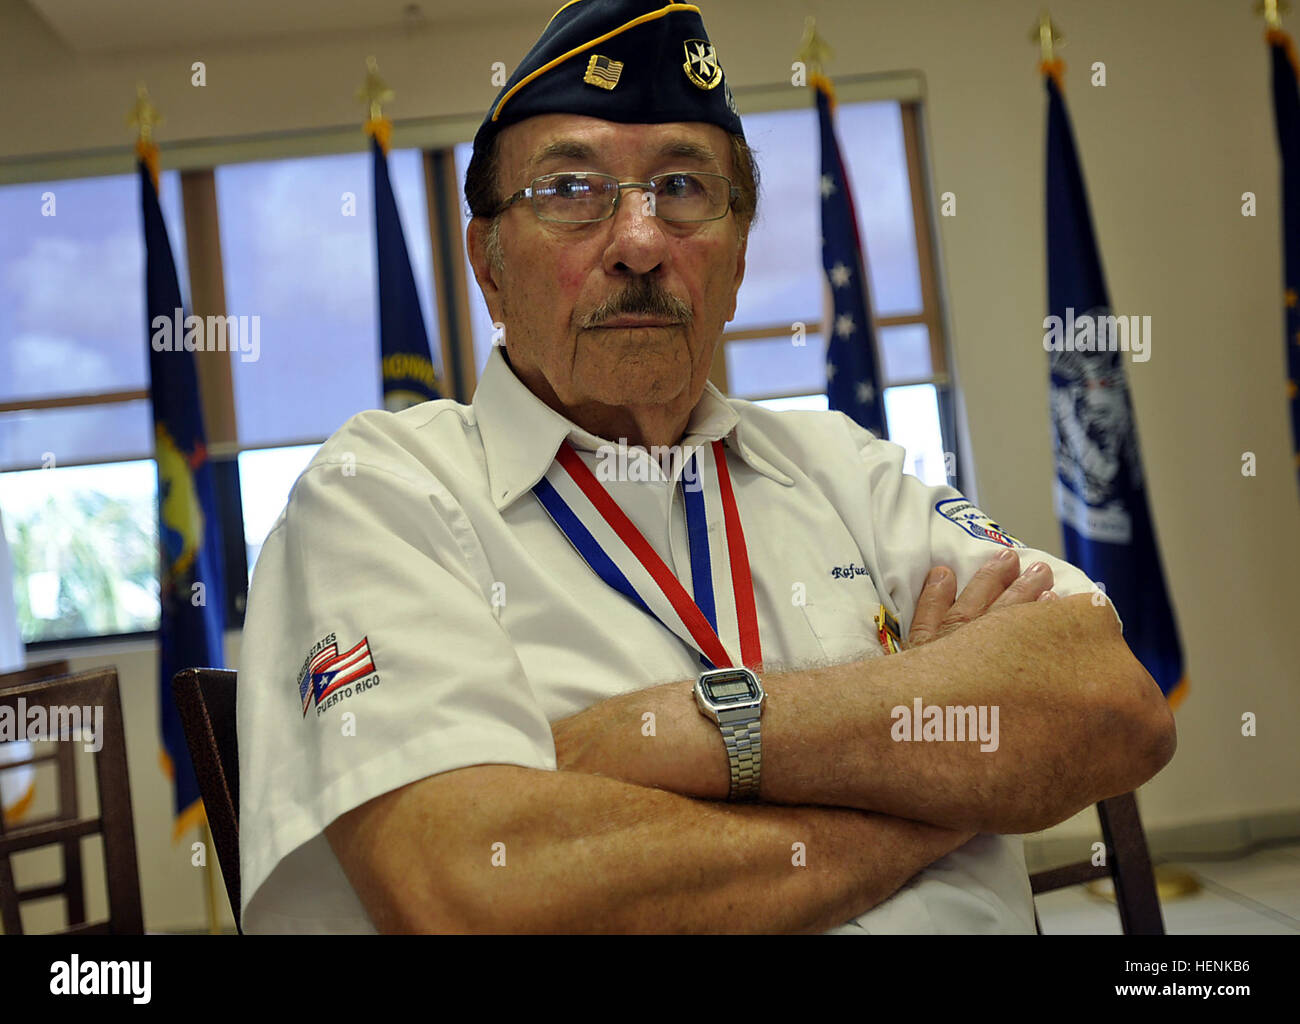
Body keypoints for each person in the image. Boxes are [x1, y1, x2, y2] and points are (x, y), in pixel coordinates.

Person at [236, 0, 1175, 934]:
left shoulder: (839, 463)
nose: (641, 241)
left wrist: (685, 734)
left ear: (734, 259)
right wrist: (932, 781)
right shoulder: (386, 492)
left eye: (683, 188)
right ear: (488, 263)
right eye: (570, 191)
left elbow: (1113, 702)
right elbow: (478, 887)